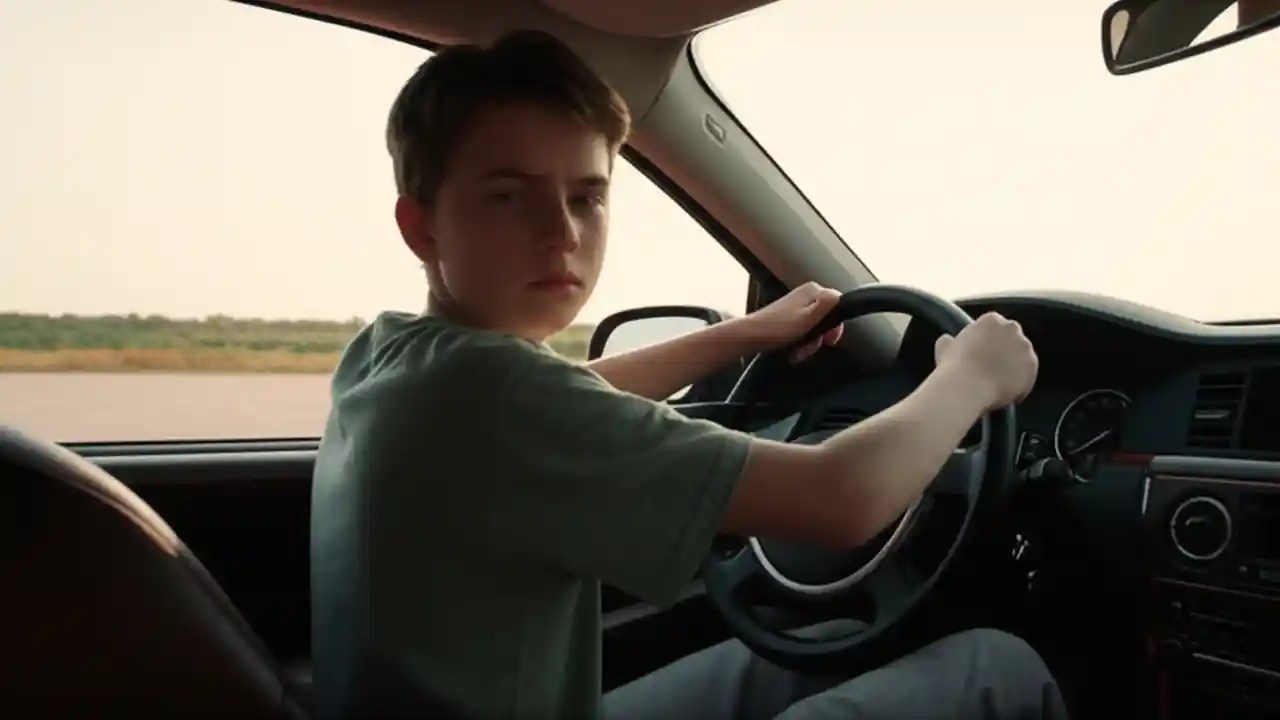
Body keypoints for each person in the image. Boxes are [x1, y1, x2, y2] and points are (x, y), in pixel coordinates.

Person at [309, 29, 1065, 720]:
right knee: (996, 666)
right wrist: (972, 375)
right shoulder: (498, 397)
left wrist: (740, 337)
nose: (562, 234)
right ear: (422, 226)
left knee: (831, 635)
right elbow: (844, 497)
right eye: (509, 197)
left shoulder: (393, 356)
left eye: (587, 196)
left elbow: (577, 393)